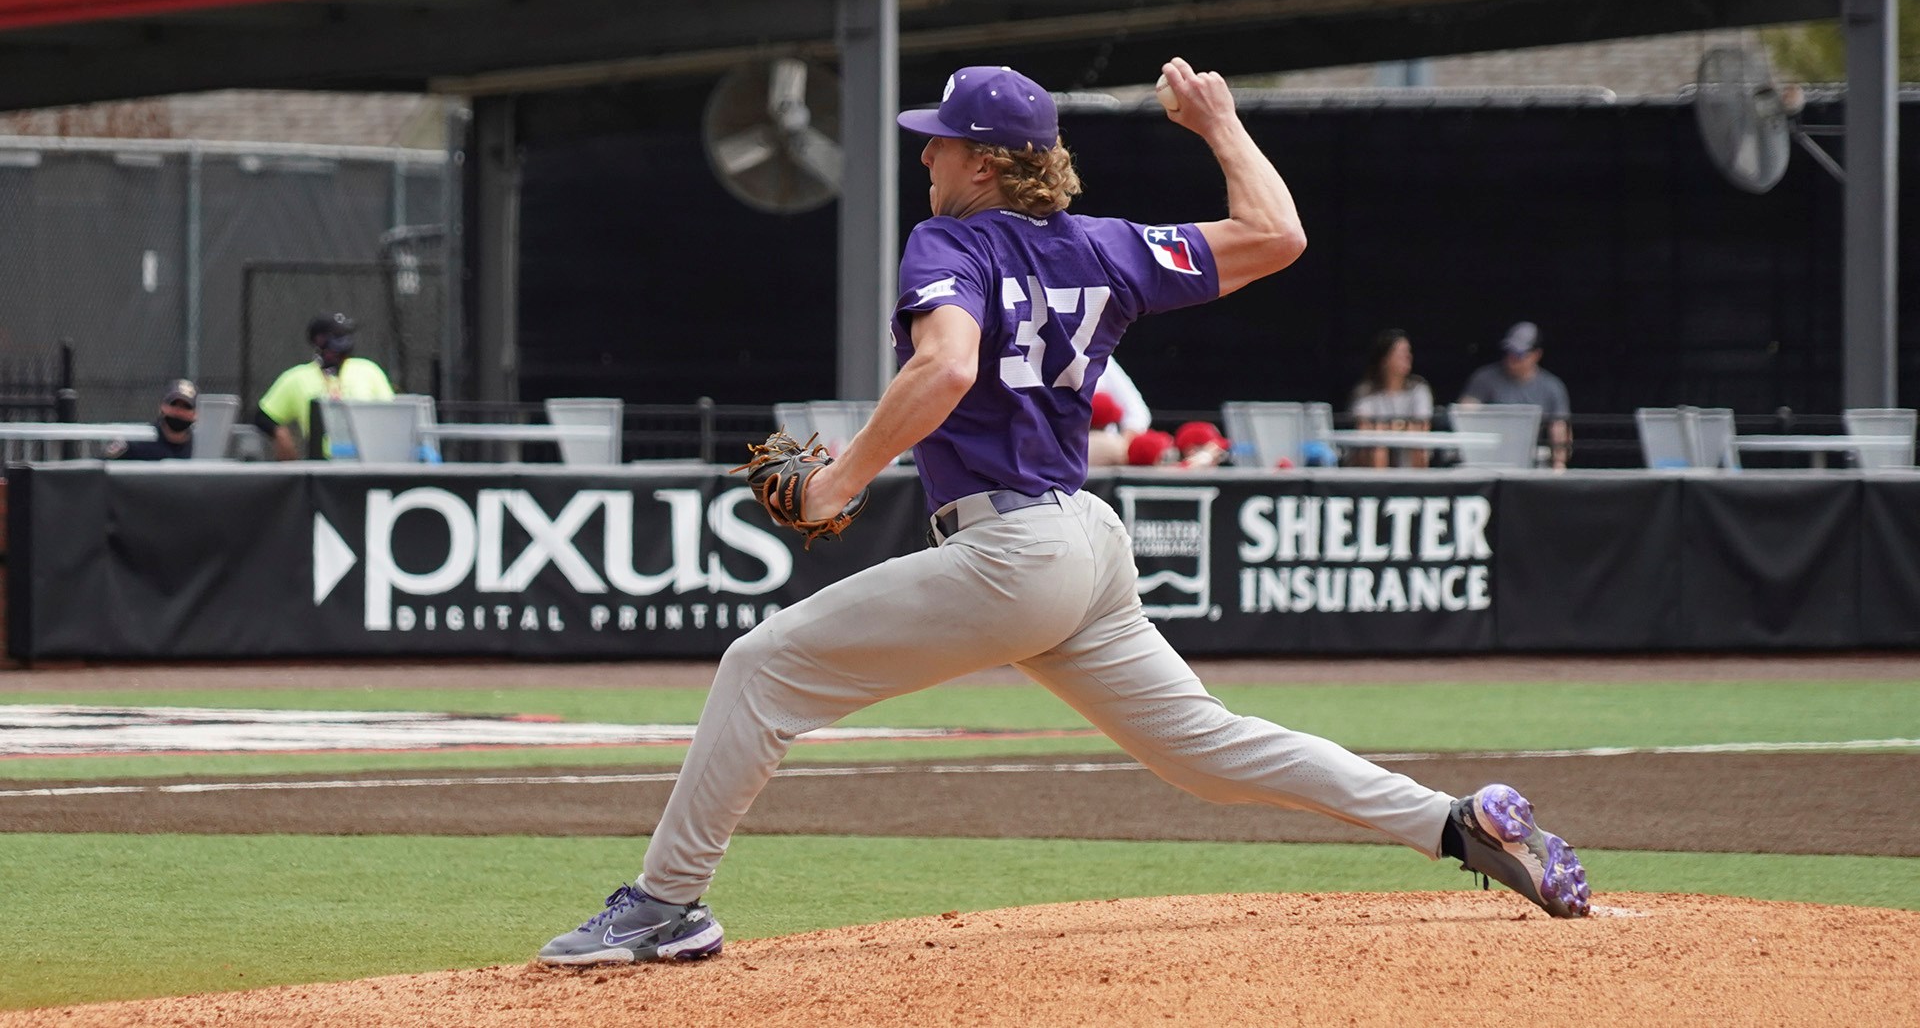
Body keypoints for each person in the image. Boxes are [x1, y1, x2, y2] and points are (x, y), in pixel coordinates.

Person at [535, 58, 1590, 967]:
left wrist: (838, 479)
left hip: (1014, 553)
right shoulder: (1107, 246)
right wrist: (1220, 123)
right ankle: (1455, 823)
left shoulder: (950, 245)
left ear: (987, 163)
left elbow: (945, 365)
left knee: (757, 668)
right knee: (1206, 749)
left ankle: (666, 905)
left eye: (943, 144)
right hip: (1085, 543)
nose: (928, 158)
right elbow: (1277, 234)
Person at [255, 312, 395, 460]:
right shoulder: (298, 378)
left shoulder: (368, 370)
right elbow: (263, 416)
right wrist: (282, 437)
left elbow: (391, 415)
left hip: (369, 462)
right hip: (323, 464)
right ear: (319, 342)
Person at [1458, 321, 1571, 470]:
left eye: (1519, 354)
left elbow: (1559, 428)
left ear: (1536, 355)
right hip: (1488, 456)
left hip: (1532, 459)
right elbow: (1465, 413)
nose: (1512, 359)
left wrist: (1559, 464)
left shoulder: (1552, 386)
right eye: (1509, 351)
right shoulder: (1484, 378)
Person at [1349, 328, 1433, 469]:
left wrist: (1387, 427)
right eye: (1400, 353)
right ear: (1384, 359)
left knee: (1418, 444)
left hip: (1408, 450)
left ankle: (1418, 486)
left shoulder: (1418, 389)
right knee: (1378, 446)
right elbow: (1364, 427)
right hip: (1372, 453)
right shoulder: (1366, 392)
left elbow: (1422, 426)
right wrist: (1399, 427)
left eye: (1408, 352)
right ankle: (1377, 487)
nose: (1407, 357)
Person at [104, 379, 198, 460]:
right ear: (162, 407)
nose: (178, 412)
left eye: (186, 407)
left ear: (196, 414)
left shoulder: (201, 446)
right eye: (173, 405)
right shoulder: (139, 442)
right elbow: (101, 468)